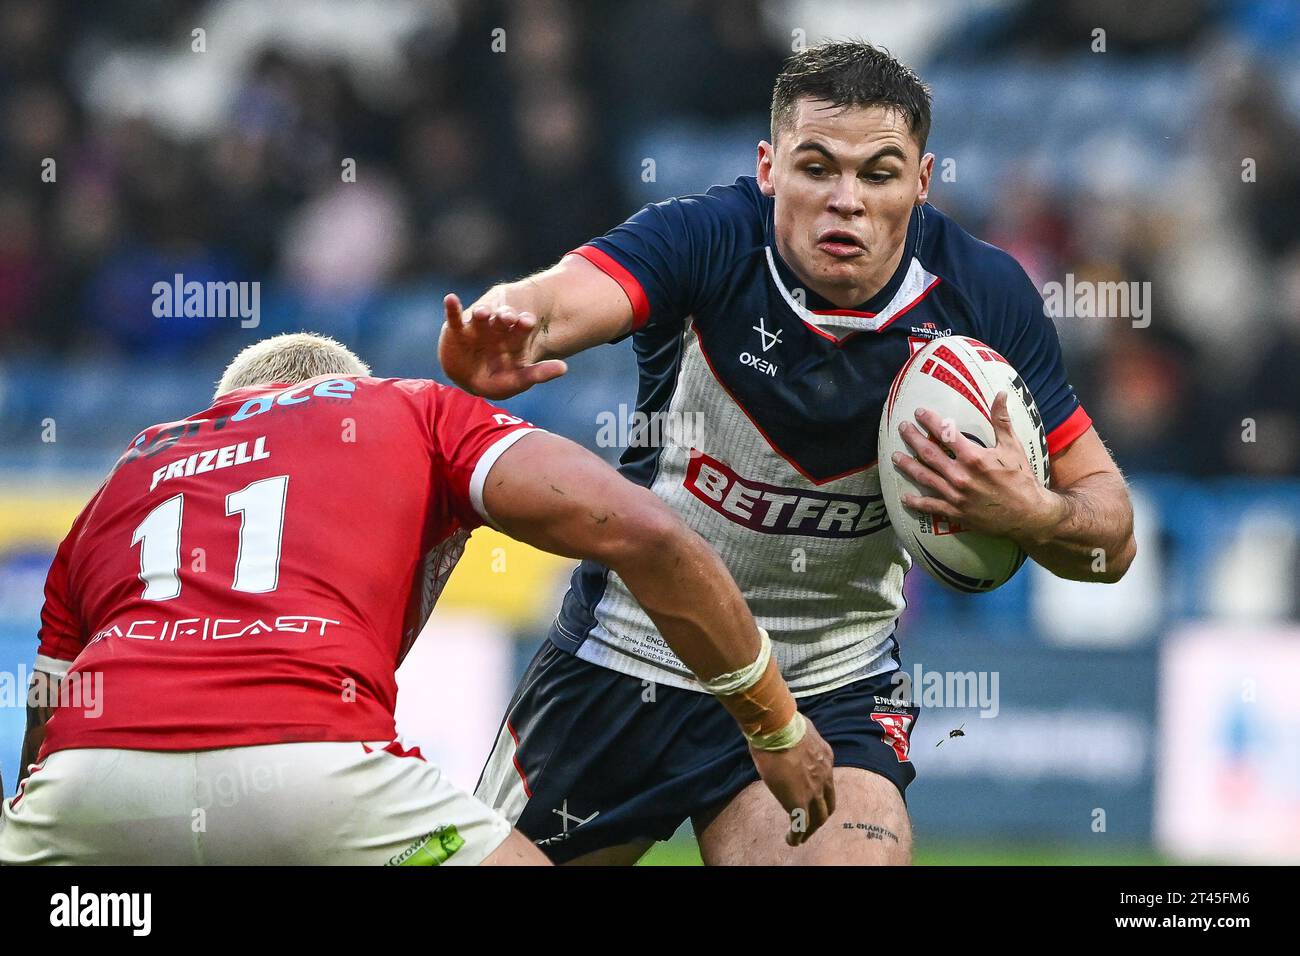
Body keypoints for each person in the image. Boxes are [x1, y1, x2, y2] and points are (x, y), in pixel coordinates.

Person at [446, 41, 1137, 865]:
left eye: (879, 175)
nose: (846, 200)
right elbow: (561, 296)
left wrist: (1034, 511)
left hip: (827, 679)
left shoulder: (984, 298)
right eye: (818, 168)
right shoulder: (706, 238)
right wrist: (508, 321)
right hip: (628, 657)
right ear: (770, 167)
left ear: (921, 181)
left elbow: (1112, 541)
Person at [0, 332, 834, 865]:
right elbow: (647, 533)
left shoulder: (132, 468)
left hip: (86, 788)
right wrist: (773, 720)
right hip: (313, 766)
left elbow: (49, 705)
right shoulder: (403, 409)